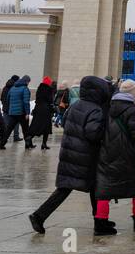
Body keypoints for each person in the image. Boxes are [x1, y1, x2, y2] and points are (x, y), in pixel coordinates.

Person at [29, 75, 110, 232]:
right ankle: (99, 222)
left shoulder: (76, 105)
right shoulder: (95, 110)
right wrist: (103, 132)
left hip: (69, 152)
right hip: (85, 156)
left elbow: (65, 122)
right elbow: (93, 133)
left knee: (69, 188)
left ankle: (100, 222)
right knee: (95, 188)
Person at [93, 79, 135, 236]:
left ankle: (100, 222)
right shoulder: (130, 110)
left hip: (107, 152)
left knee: (105, 188)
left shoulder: (107, 107)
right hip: (126, 153)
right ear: (133, 95)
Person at [0, 74, 32, 149]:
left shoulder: (13, 88)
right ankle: (28, 145)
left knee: (9, 129)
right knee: (25, 129)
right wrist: (27, 113)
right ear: (26, 81)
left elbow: (8, 99)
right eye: (28, 82)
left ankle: (2, 143)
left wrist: (11, 109)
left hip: (12, 113)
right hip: (21, 113)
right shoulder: (25, 89)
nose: (28, 83)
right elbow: (26, 102)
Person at [29, 76, 56, 150]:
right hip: (45, 110)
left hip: (38, 109)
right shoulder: (49, 89)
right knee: (46, 127)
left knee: (36, 125)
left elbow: (37, 99)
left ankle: (29, 139)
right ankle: (44, 144)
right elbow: (50, 100)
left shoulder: (39, 89)